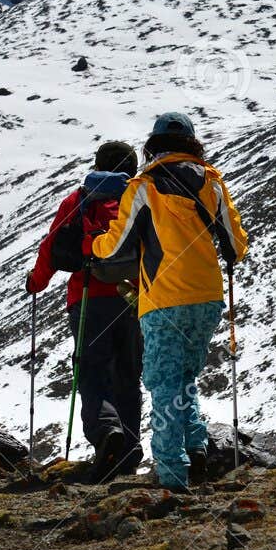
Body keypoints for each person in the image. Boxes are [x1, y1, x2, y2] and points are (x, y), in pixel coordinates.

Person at [90, 113, 247, 490]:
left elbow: (116, 244)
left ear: (153, 144)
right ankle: (196, 451)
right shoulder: (212, 182)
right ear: (192, 144)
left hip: (163, 299)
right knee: (184, 379)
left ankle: (173, 473)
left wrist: (95, 245)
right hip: (207, 298)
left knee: (164, 383)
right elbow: (236, 245)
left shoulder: (142, 187)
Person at [25, 140, 144, 482]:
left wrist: (37, 282)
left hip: (88, 297)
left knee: (92, 372)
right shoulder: (139, 198)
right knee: (128, 375)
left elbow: (52, 246)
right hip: (134, 297)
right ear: (132, 168)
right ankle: (128, 449)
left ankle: (107, 433)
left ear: (98, 164)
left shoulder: (79, 199)